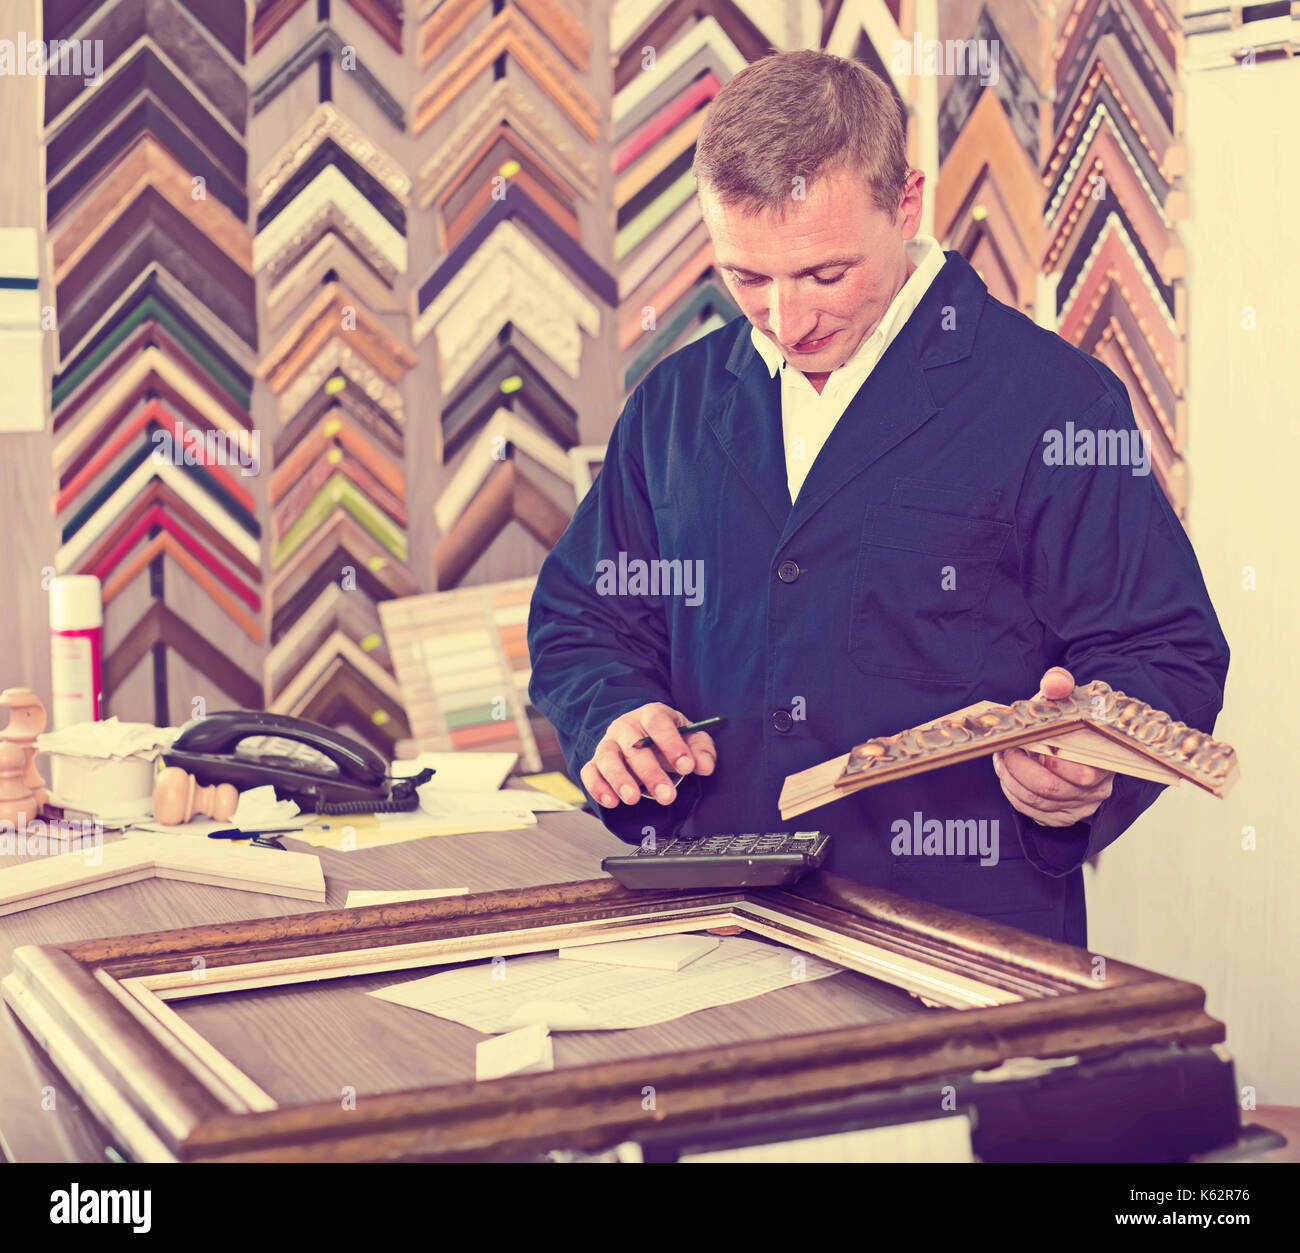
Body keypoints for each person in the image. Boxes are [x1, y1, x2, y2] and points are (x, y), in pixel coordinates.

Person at [526, 50, 1229, 946]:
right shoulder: (673, 403)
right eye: (747, 278)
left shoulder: (1053, 402)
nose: (786, 320)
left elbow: (1166, 648)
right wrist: (613, 716)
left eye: (824, 275)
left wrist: (1086, 769)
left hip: (959, 947)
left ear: (905, 205)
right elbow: (583, 619)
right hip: (711, 935)